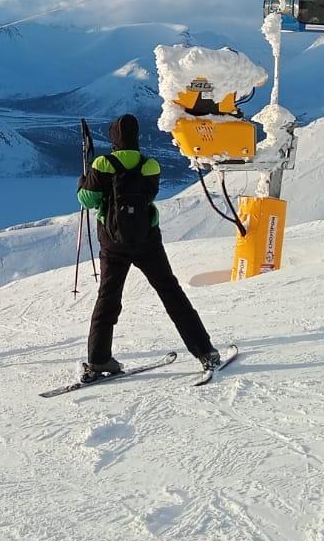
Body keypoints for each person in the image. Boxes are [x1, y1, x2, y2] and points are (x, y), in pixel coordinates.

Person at [77, 113, 221, 381]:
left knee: (107, 299)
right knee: (171, 293)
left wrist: (83, 181)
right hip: (147, 240)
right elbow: (150, 195)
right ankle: (205, 351)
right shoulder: (150, 165)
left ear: (113, 137)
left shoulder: (102, 163)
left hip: (112, 242)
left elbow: (87, 200)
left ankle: (98, 361)